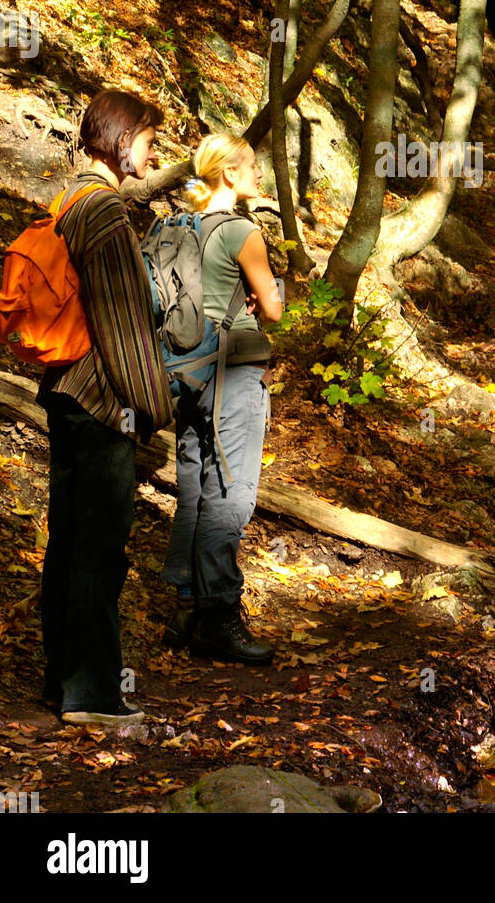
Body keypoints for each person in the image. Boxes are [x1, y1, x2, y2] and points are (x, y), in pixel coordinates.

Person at [39, 91, 174, 726]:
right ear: (122, 141)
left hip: (62, 389)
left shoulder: (68, 201)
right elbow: (123, 326)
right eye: (149, 137)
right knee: (98, 549)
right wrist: (155, 407)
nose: (155, 150)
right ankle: (92, 695)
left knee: (66, 543)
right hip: (102, 403)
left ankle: (59, 682)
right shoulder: (108, 215)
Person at [161, 133, 283, 664]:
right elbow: (273, 309)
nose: (259, 176)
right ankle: (219, 616)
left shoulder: (176, 225)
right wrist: (265, 292)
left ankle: (186, 607)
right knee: (231, 493)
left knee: (195, 484)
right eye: (253, 167)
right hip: (234, 369)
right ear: (229, 174)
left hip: (187, 372)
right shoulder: (242, 231)